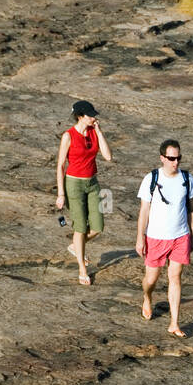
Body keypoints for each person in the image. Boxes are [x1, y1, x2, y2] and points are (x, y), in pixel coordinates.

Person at [136, 139, 193, 337]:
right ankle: (147, 296)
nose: (175, 162)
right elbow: (144, 210)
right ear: (162, 158)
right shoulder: (151, 178)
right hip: (156, 237)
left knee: (175, 277)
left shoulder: (187, 178)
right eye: (171, 158)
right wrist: (139, 237)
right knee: (151, 280)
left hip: (180, 236)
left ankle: (174, 323)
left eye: (178, 158)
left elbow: (191, 210)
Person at [55, 100, 112, 285]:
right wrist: (61, 194)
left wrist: (99, 131)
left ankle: (75, 246)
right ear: (80, 116)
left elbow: (108, 156)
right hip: (74, 184)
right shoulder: (68, 136)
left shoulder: (94, 132)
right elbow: (60, 165)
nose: (93, 118)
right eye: (90, 115)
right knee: (79, 227)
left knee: (97, 227)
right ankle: (82, 268)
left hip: (93, 183)